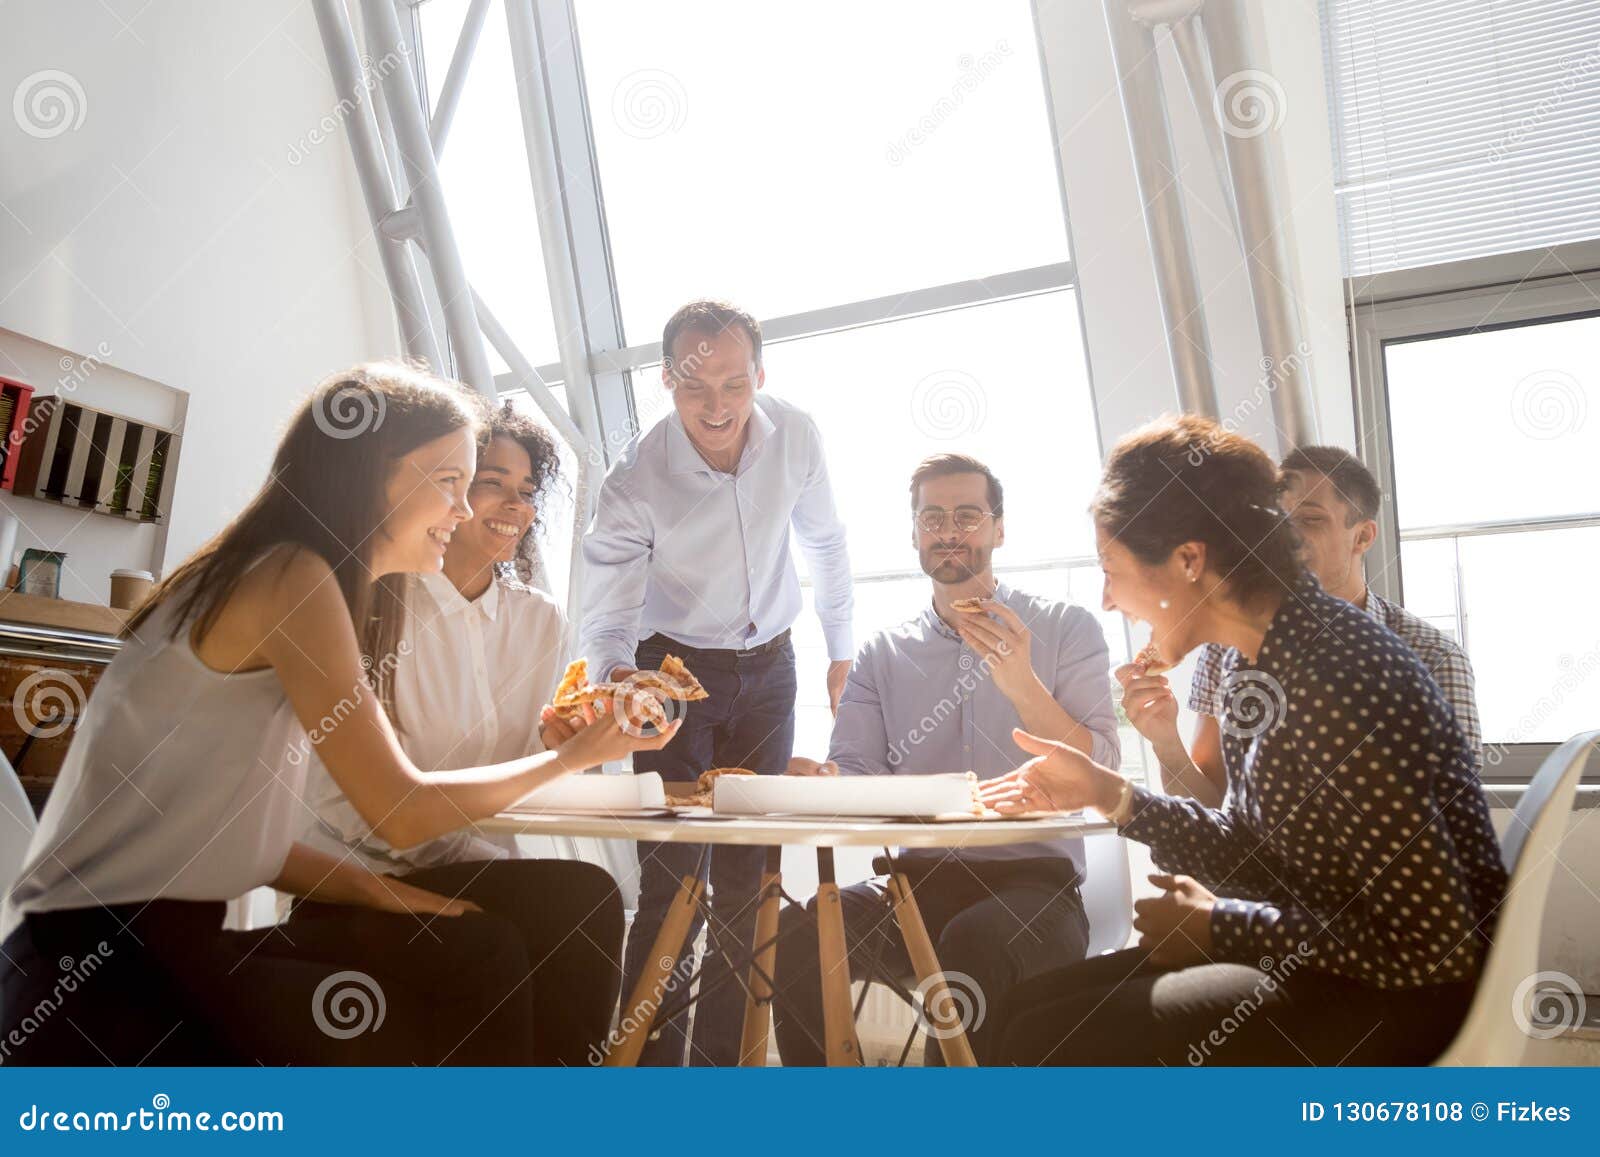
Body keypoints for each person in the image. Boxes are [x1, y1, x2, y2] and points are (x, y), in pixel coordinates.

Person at [0, 363, 673, 1066]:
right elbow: (400, 812)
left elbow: (224, 830)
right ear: (369, 472)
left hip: (140, 944)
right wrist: (572, 755)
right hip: (97, 975)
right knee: (479, 963)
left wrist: (378, 892)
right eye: (450, 483)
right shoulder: (293, 578)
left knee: (517, 928)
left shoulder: (277, 572)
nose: (464, 511)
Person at [981, 415, 1507, 1066]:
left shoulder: (1339, 673)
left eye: (1112, 568)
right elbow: (1251, 847)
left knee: (1047, 1040)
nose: (1109, 599)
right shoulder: (1251, 659)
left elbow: (1433, 945)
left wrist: (1220, 924)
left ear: (1189, 560)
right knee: (1018, 1012)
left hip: (1402, 998)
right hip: (1323, 956)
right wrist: (1105, 791)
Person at [297, 399, 622, 1065]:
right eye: (490, 483)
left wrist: (563, 749)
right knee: (580, 902)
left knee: (584, 902)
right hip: (366, 872)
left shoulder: (540, 624)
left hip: (478, 870)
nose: (513, 505)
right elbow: (354, 797)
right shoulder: (375, 604)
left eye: (526, 491)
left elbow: (530, 771)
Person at [773, 454, 1118, 1065]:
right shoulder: (881, 653)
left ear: (999, 528)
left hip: (1036, 891)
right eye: (932, 518)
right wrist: (825, 780)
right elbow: (856, 777)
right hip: (912, 890)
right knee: (800, 936)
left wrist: (1023, 685)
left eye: (967, 515)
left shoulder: (1068, 628)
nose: (949, 531)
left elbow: (1104, 770)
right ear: (913, 534)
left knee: (973, 944)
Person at [579, 300, 853, 1066]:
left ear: (759, 376)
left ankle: (722, 1077)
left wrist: (842, 650)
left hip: (772, 669)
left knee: (750, 886)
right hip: (672, 671)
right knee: (674, 885)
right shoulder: (634, 478)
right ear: (666, 380)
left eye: (736, 383)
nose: (718, 405)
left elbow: (826, 542)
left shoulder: (794, 435)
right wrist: (621, 683)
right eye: (697, 385)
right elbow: (606, 618)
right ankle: (646, 1081)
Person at [1121, 443, 1482, 807]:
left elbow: (1450, 816)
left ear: (1363, 536)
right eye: (1278, 521)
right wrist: (1165, 742)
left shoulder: (1433, 657)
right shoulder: (1225, 649)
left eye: (1310, 520)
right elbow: (1211, 807)